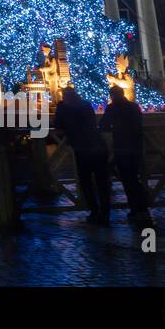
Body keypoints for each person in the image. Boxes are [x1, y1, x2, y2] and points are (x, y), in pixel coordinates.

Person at [54, 87, 110, 225]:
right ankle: (105, 213)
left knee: (86, 182)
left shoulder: (63, 107)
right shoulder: (86, 105)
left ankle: (94, 210)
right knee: (102, 181)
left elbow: (58, 125)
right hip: (98, 145)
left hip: (81, 147)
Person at [100, 86, 151, 225]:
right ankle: (142, 208)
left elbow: (104, 125)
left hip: (122, 147)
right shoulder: (134, 107)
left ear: (113, 96)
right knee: (135, 178)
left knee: (128, 180)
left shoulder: (112, 108)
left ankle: (136, 209)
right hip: (136, 147)